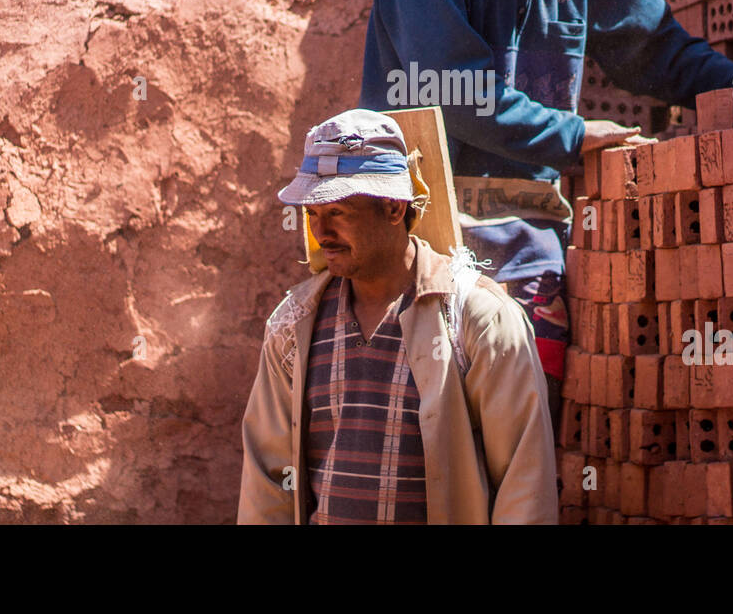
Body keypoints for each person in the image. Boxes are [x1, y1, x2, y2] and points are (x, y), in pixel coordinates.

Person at [359, 0, 733, 425]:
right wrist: (573, 137)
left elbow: (654, 51)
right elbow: (450, 91)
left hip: (525, 233)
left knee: (522, 423)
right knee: (422, 432)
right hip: (423, 220)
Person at [237, 109, 559, 524]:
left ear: (392, 208)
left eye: (338, 212)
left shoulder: (478, 319)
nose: (321, 232)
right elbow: (268, 482)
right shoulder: (293, 325)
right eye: (314, 214)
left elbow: (524, 483)